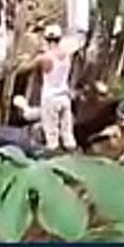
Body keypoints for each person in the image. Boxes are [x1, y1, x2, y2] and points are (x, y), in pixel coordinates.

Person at [27, 24, 82, 153]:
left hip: (50, 98)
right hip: (64, 96)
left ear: (46, 39)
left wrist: (36, 51)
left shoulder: (44, 58)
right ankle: (73, 155)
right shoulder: (66, 55)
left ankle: (53, 156)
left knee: (52, 136)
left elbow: (28, 66)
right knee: (67, 134)